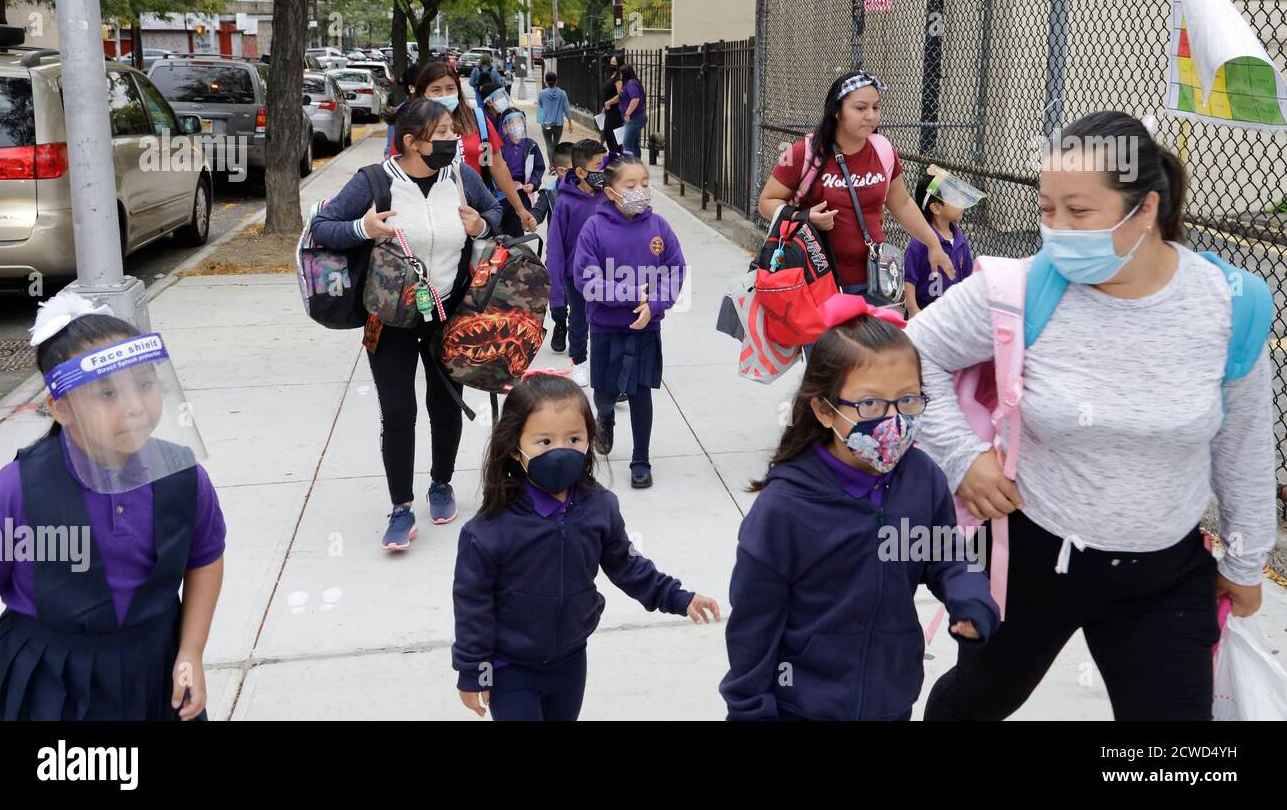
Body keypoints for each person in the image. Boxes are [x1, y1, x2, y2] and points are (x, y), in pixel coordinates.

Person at [907, 110, 1277, 721]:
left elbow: (1243, 444)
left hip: (1165, 577)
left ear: (1147, 208)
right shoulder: (1022, 289)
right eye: (1047, 209)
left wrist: (1243, 559)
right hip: (1030, 555)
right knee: (969, 706)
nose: (1056, 231)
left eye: (1078, 213)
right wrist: (963, 457)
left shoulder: (1228, 306)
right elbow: (911, 356)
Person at [720, 297, 998, 720]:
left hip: (892, 699)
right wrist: (750, 710)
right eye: (870, 405)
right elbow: (753, 630)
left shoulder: (922, 479)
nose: (894, 420)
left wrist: (971, 597)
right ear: (824, 409)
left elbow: (945, 555)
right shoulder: (784, 510)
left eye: (908, 401)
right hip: (803, 708)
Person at [0, 294, 226, 720]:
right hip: (50, 678)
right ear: (61, 408)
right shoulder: (16, 492)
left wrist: (190, 651)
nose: (134, 405)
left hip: (153, 668)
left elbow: (205, 558)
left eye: (145, 383)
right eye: (108, 392)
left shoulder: (184, 478)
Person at [452, 373, 720, 721]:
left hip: (571, 659)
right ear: (514, 448)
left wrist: (678, 597)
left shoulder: (599, 507)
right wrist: (474, 671)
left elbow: (627, 565)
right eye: (544, 441)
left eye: (574, 439)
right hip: (511, 667)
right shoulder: (489, 529)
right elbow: (473, 604)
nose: (560, 451)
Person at [312, 99, 504, 548]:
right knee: (399, 412)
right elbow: (323, 227)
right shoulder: (375, 182)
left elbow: (495, 214)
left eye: (452, 131)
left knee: (446, 405)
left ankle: (441, 484)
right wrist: (364, 228)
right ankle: (401, 506)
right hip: (390, 320)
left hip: (449, 314)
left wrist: (481, 224)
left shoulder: (460, 177)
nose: (452, 140)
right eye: (441, 134)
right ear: (412, 143)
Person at [756, 71, 956, 303]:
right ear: (837, 111)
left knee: (874, 340)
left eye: (876, 108)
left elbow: (901, 204)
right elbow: (766, 202)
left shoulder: (883, 151)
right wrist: (805, 216)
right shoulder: (805, 153)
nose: (870, 116)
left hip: (875, 282)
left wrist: (933, 244)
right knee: (827, 341)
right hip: (817, 279)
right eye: (861, 108)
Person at [572, 156, 686, 488]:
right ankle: (605, 416)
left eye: (646, 184)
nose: (641, 191)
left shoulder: (659, 227)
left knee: (640, 393)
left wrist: (654, 304)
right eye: (631, 185)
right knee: (605, 392)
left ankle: (641, 458)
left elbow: (675, 271)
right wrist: (631, 293)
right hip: (606, 327)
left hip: (646, 327)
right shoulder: (594, 228)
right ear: (610, 192)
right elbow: (586, 279)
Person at [396, 61, 536, 234]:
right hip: (428, 217)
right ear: (423, 93)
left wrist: (520, 209)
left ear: (458, 90)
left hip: (475, 216)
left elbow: (497, 166)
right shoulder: (410, 126)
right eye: (436, 90)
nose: (444, 94)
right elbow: (397, 170)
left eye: (450, 88)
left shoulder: (477, 120)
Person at [547, 139, 608, 376]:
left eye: (605, 166)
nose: (603, 173)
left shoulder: (609, 197)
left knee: (606, 322)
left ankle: (606, 369)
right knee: (580, 320)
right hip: (576, 275)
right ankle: (579, 362)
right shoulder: (565, 201)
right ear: (581, 172)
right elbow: (555, 246)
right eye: (598, 167)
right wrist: (557, 290)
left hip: (608, 273)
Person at [904, 173, 977, 315]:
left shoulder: (960, 241)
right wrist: (913, 309)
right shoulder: (921, 241)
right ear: (936, 208)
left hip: (952, 309)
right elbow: (909, 278)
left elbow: (968, 277)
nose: (962, 202)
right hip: (924, 309)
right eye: (955, 198)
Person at [495, 109, 545, 240]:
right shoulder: (498, 146)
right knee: (499, 225)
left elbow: (539, 168)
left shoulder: (531, 145)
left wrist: (533, 183)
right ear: (504, 126)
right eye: (511, 122)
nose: (515, 125)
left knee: (517, 224)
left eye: (519, 121)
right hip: (502, 192)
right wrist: (497, 184)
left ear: (524, 122)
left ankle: (516, 251)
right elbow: (490, 169)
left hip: (522, 191)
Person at [537, 71, 574, 158]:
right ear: (556, 81)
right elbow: (566, 109)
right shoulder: (562, 94)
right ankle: (554, 165)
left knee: (549, 145)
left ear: (545, 81)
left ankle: (552, 167)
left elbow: (540, 108)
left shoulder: (542, 93)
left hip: (546, 124)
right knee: (555, 145)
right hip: (558, 125)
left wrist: (540, 121)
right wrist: (570, 123)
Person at [616, 64, 647, 158]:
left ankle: (631, 166)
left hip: (634, 118)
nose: (620, 75)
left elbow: (635, 99)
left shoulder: (631, 84)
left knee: (627, 143)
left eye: (621, 73)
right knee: (633, 143)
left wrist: (627, 113)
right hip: (635, 117)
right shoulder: (630, 83)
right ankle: (636, 164)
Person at [599, 54, 624, 155]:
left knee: (614, 137)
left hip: (615, 112)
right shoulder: (612, 76)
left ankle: (616, 159)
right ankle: (613, 157)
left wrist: (608, 102)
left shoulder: (618, 78)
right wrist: (605, 106)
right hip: (609, 111)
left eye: (615, 63)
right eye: (611, 63)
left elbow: (620, 95)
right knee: (607, 135)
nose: (612, 65)